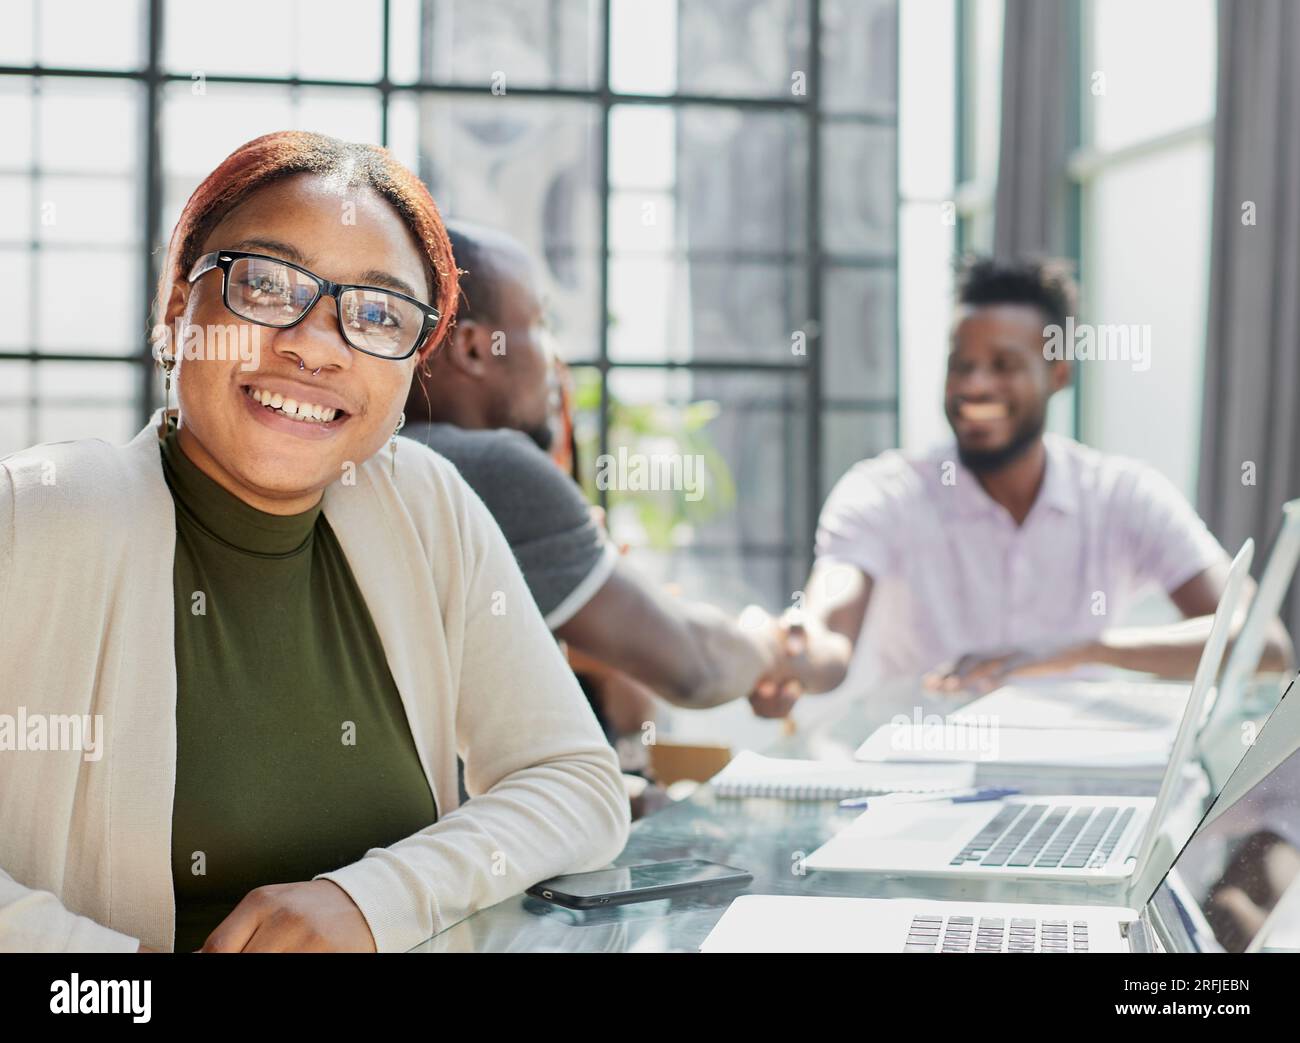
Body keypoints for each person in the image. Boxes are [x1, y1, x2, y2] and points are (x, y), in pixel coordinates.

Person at [0, 131, 629, 953]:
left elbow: (577, 779)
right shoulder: (35, 516)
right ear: (176, 311)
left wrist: (372, 901)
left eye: (377, 312)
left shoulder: (425, 506)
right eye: (264, 285)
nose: (315, 343)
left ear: (411, 370)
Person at [771, 255, 1293, 699]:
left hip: (1076, 790)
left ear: (1058, 373)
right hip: (916, 785)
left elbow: (1264, 647)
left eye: (1003, 365)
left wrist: (1083, 648)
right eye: (962, 365)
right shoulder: (883, 494)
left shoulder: (1122, 495)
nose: (975, 386)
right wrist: (793, 651)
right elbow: (829, 632)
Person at [403, 223, 820, 723]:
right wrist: (772, 646)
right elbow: (695, 668)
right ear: (473, 349)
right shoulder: (492, 469)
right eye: (539, 323)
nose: (556, 360)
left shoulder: (388, 458)